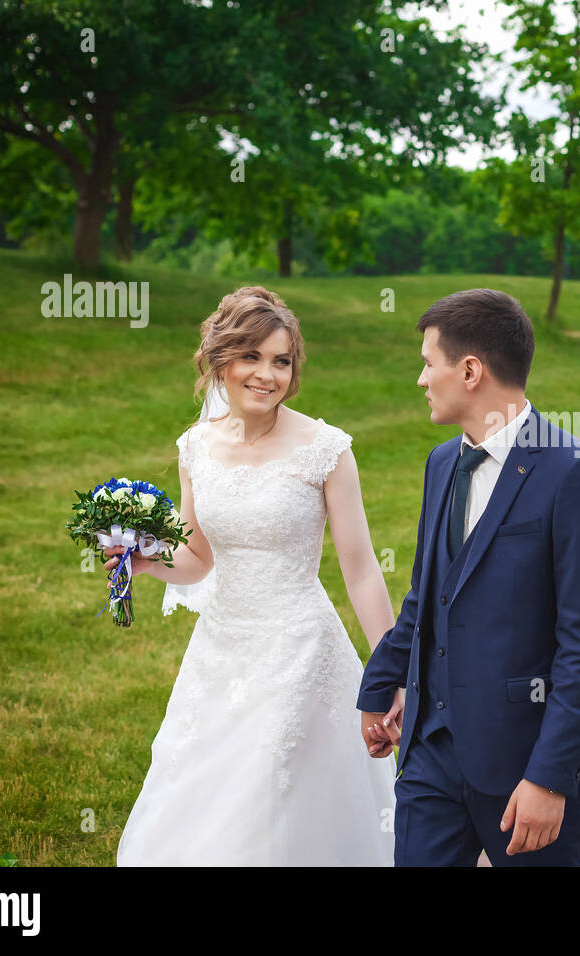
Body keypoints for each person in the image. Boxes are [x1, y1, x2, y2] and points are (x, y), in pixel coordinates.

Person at [103, 286, 401, 865]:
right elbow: (199, 558)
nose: (268, 375)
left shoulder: (327, 449)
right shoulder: (196, 447)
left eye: (282, 360)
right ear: (220, 361)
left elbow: (361, 570)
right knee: (203, 798)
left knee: (272, 797)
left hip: (299, 650)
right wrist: (144, 560)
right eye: (252, 357)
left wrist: (392, 669)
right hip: (219, 651)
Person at [357, 288, 580, 866]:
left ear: (470, 370)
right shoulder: (441, 463)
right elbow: (427, 594)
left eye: (429, 363)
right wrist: (381, 687)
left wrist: (550, 779)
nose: (422, 379)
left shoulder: (576, 474)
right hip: (430, 759)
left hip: (526, 772)